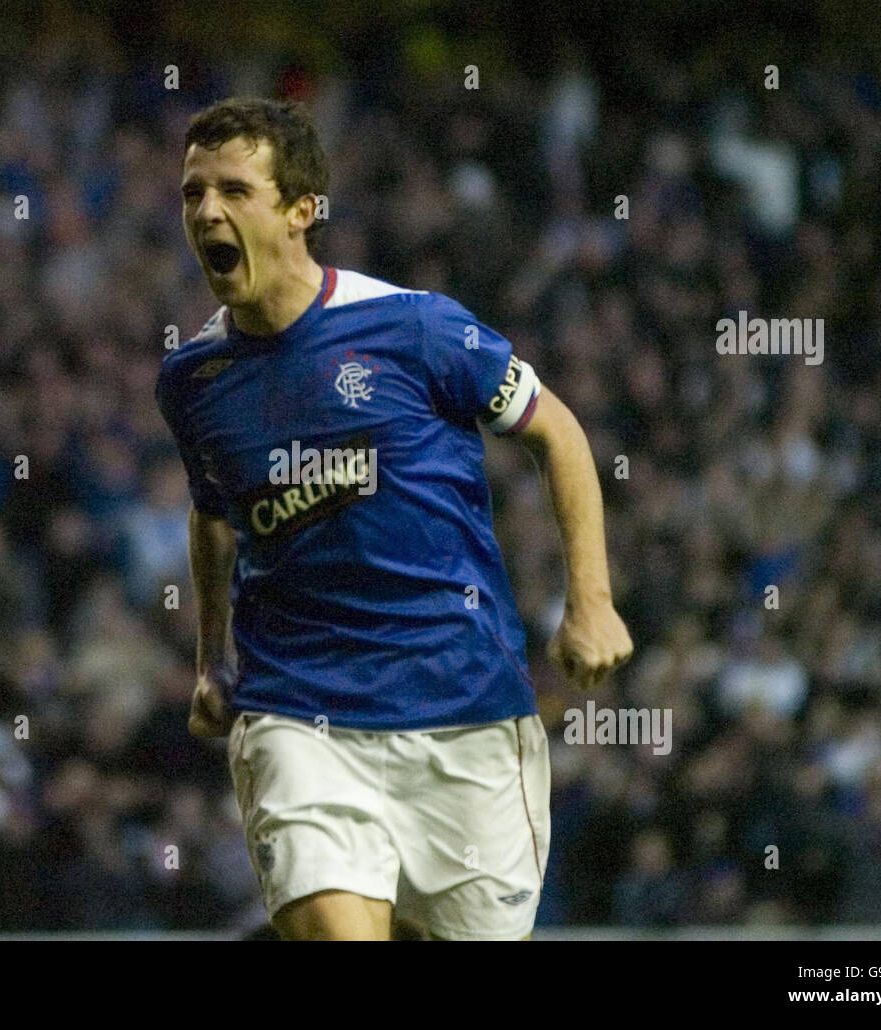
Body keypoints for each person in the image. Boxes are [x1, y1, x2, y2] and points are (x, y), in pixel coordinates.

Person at [156, 97, 633, 940]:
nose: (207, 212)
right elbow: (214, 514)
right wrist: (211, 658)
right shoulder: (194, 381)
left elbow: (557, 433)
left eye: (234, 189)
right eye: (194, 194)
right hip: (298, 712)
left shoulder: (416, 329)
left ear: (301, 212)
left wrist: (589, 601)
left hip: (465, 712)